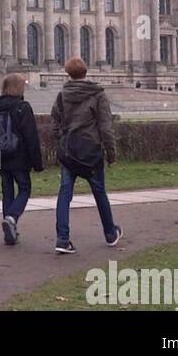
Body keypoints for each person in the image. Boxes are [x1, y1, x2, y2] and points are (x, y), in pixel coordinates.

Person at [50, 57, 122, 254]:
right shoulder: (97, 94)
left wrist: (62, 139)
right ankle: (110, 233)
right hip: (91, 150)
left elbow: (54, 119)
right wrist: (112, 154)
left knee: (65, 193)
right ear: (85, 72)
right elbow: (105, 127)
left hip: (69, 150)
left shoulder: (63, 94)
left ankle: (62, 238)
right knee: (99, 192)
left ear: (68, 73)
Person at [0, 73, 43, 245]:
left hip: (2, 157)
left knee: (7, 191)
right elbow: (31, 137)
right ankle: (12, 218)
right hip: (19, 157)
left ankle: (10, 231)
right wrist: (37, 162)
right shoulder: (23, 107)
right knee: (25, 188)